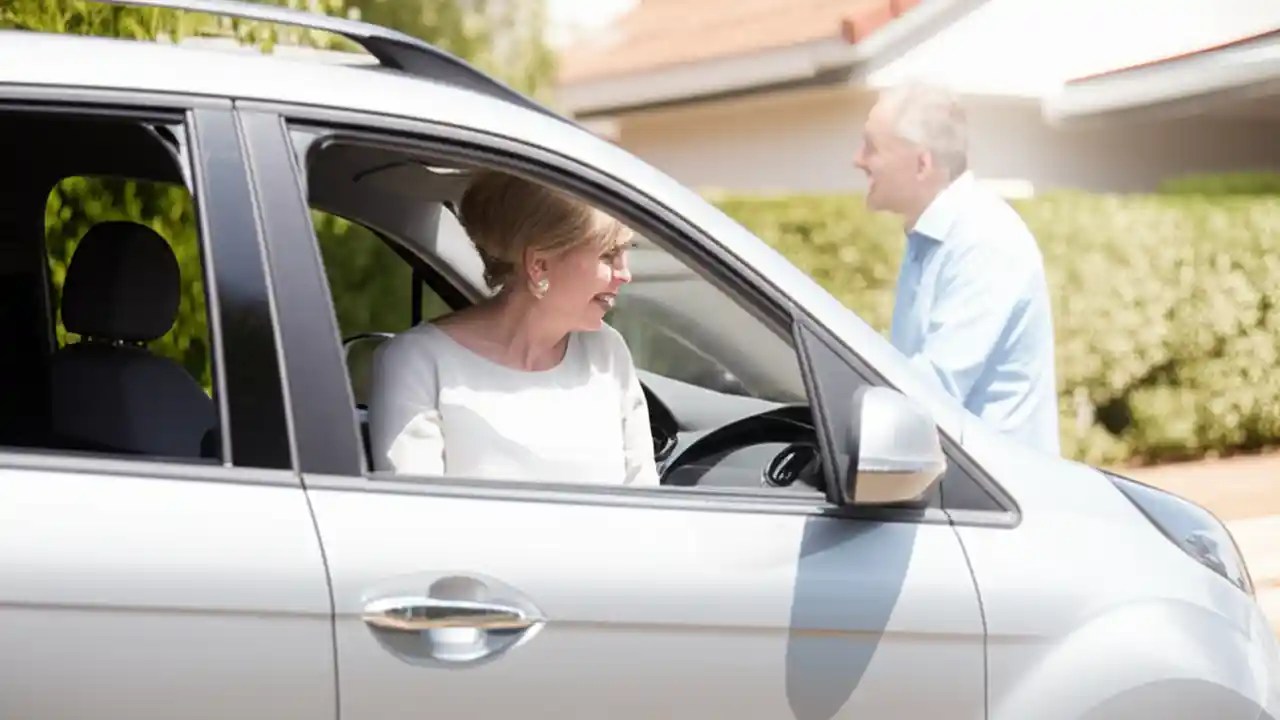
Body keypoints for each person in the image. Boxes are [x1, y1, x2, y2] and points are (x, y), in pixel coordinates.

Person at [367, 169, 660, 485]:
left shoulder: (606, 353)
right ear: (539, 265)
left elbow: (646, 501)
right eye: (609, 255)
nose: (625, 274)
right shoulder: (418, 362)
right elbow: (414, 520)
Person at [853, 82, 1060, 455]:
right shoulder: (933, 237)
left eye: (872, 147)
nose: (858, 160)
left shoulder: (983, 239)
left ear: (922, 163)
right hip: (968, 489)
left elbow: (932, 390)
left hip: (1003, 495)